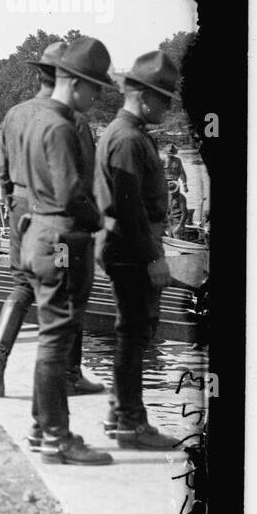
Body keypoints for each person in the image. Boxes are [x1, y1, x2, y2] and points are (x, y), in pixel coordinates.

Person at [0, 42, 105, 398]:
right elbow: (86, 180)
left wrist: (10, 200)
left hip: (22, 208)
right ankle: (70, 373)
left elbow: (3, 169)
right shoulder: (73, 120)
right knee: (68, 290)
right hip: (58, 217)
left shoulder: (15, 113)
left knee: (22, 283)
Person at [19, 36, 114, 465]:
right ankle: (58, 437)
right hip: (59, 242)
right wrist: (102, 221)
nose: (96, 97)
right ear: (74, 83)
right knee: (57, 340)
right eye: (94, 88)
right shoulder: (60, 126)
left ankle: (42, 428)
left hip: (40, 234)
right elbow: (71, 193)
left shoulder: (37, 119)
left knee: (52, 337)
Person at [94, 51, 183, 451]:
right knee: (134, 332)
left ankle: (119, 411)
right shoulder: (128, 138)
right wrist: (154, 257)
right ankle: (132, 423)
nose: (167, 107)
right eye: (164, 99)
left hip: (127, 245)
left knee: (133, 331)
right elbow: (128, 209)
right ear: (144, 96)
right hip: (132, 247)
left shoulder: (127, 132)